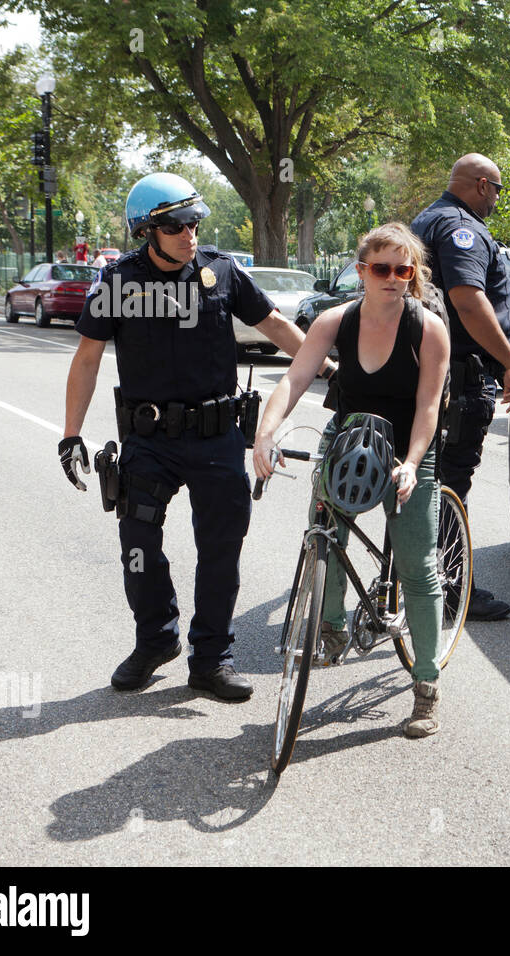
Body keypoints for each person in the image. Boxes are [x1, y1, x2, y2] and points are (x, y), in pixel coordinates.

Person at [59, 171, 334, 700]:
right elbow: (87, 358)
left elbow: (275, 324)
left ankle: (211, 658)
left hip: (216, 437)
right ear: (148, 230)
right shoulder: (118, 284)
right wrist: (71, 435)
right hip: (148, 442)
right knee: (138, 547)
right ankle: (155, 639)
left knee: (220, 551)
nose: (190, 235)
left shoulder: (222, 271)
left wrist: (326, 367)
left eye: (194, 223)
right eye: (177, 226)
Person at [253, 222, 450, 737]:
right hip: (348, 436)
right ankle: (332, 625)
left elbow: (429, 405)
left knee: (417, 565)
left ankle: (426, 685)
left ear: (412, 274)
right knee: (324, 533)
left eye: (402, 269)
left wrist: (410, 463)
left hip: (409, 446)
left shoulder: (428, 328)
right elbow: (295, 378)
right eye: (380, 268)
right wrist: (265, 434)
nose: (392, 278)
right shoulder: (334, 321)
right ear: (361, 271)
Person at [410, 153, 510, 621]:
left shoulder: (423, 221)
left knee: (425, 480)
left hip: (424, 374)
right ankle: (452, 590)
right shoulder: (463, 229)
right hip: (459, 377)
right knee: (450, 486)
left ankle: (413, 577)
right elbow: (468, 301)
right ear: (480, 185)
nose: (497, 199)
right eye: (497, 190)